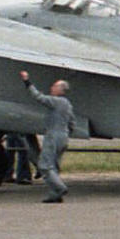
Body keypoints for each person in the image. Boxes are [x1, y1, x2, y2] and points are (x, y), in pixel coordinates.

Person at [20, 70, 74, 203]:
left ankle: (60, 188)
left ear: (60, 90)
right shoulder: (67, 104)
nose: (51, 88)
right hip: (64, 136)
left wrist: (27, 82)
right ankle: (55, 194)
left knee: (44, 166)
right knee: (54, 166)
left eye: (54, 86)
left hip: (53, 136)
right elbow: (72, 123)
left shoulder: (55, 101)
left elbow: (38, 97)